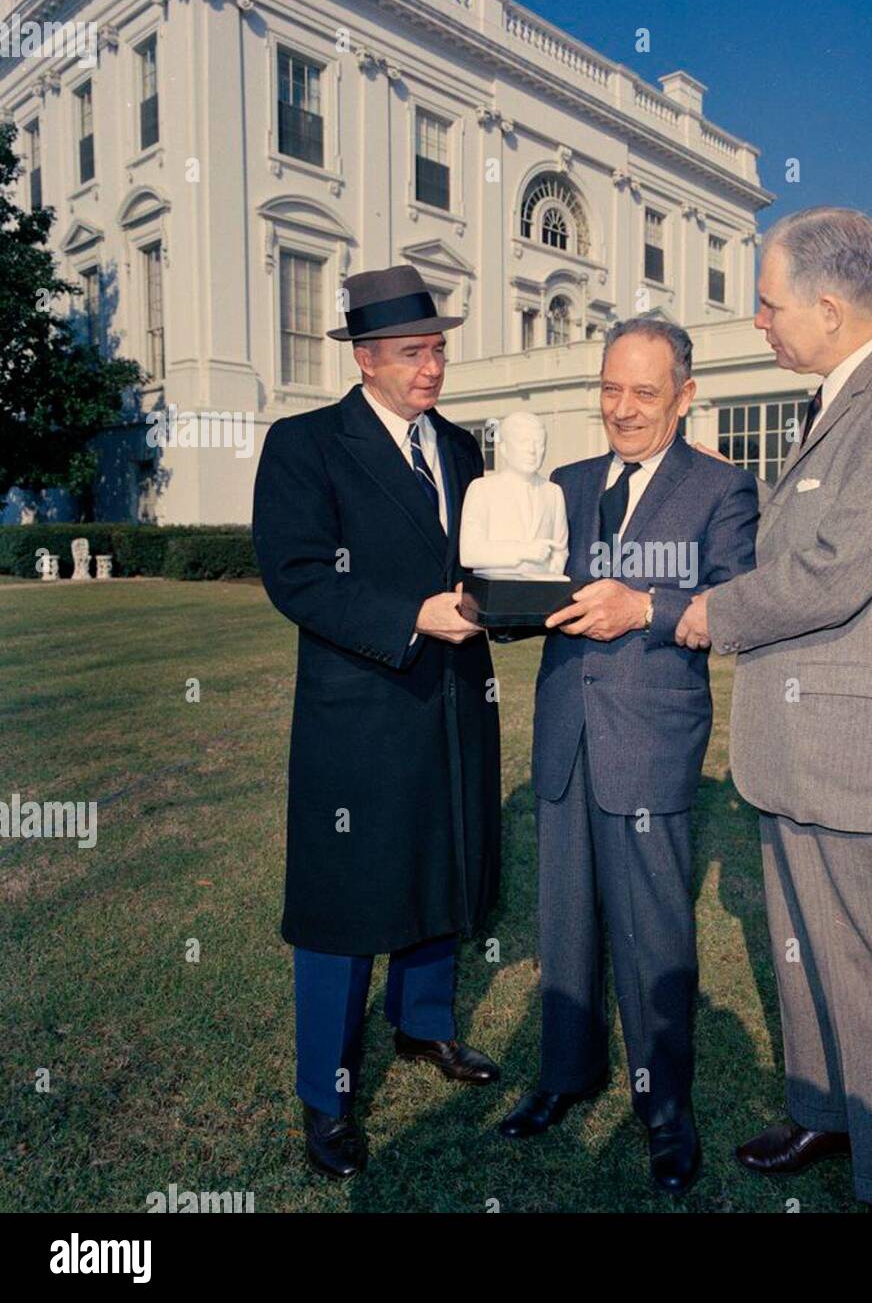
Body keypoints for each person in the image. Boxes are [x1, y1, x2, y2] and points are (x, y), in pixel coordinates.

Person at [677, 207, 872, 1212]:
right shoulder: (843, 397)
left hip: (857, 750)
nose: (759, 322)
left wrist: (706, 609)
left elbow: (833, 574)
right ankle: (825, 1111)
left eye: (768, 304)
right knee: (804, 947)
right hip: (800, 742)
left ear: (830, 307)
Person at [252, 264, 503, 1180]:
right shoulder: (305, 444)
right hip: (359, 713)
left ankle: (424, 1027)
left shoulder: (466, 449)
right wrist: (411, 616)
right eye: (411, 353)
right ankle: (327, 1092)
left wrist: (505, 602)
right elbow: (298, 576)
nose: (432, 368)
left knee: (443, 863)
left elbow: (482, 563)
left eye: (437, 349)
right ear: (365, 359)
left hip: (453, 703)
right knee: (345, 901)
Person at [497, 318, 758, 1194]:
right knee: (563, 921)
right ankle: (566, 1077)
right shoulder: (562, 485)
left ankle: (666, 1110)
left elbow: (732, 600)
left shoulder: (722, 488)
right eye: (611, 389)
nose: (624, 409)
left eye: (646, 392)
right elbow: (527, 579)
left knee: (654, 934)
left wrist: (642, 604)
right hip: (565, 736)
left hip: (650, 743)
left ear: (685, 397)